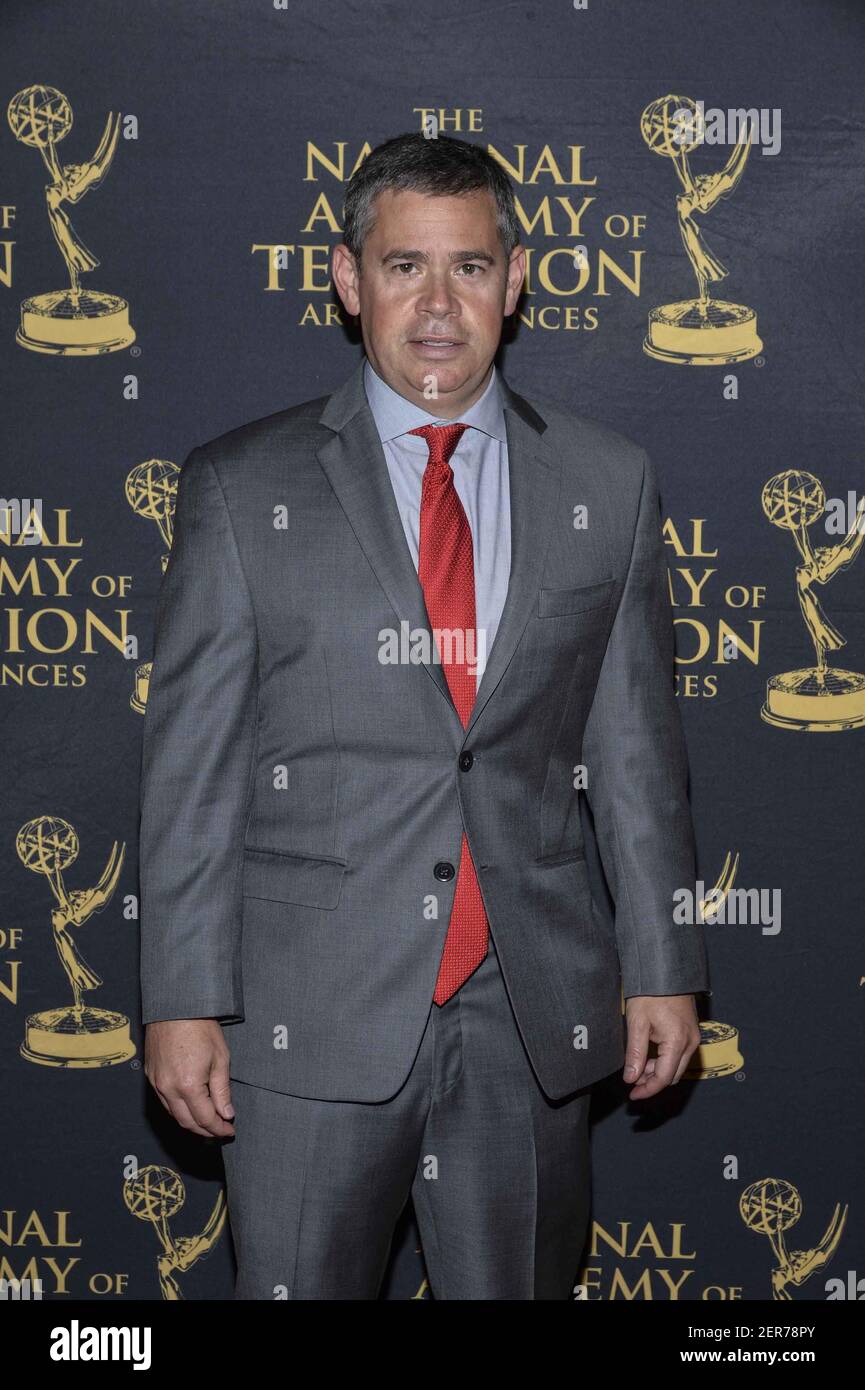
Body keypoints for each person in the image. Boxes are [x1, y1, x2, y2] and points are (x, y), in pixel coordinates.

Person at [139, 131, 709, 1300]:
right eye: (405, 267)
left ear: (515, 277)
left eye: (468, 266)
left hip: (527, 1017)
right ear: (349, 282)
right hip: (304, 1023)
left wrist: (662, 963)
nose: (438, 304)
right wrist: (182, 998)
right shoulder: (245, 487)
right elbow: (191, 773)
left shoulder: (608, 482)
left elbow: (637, 750)